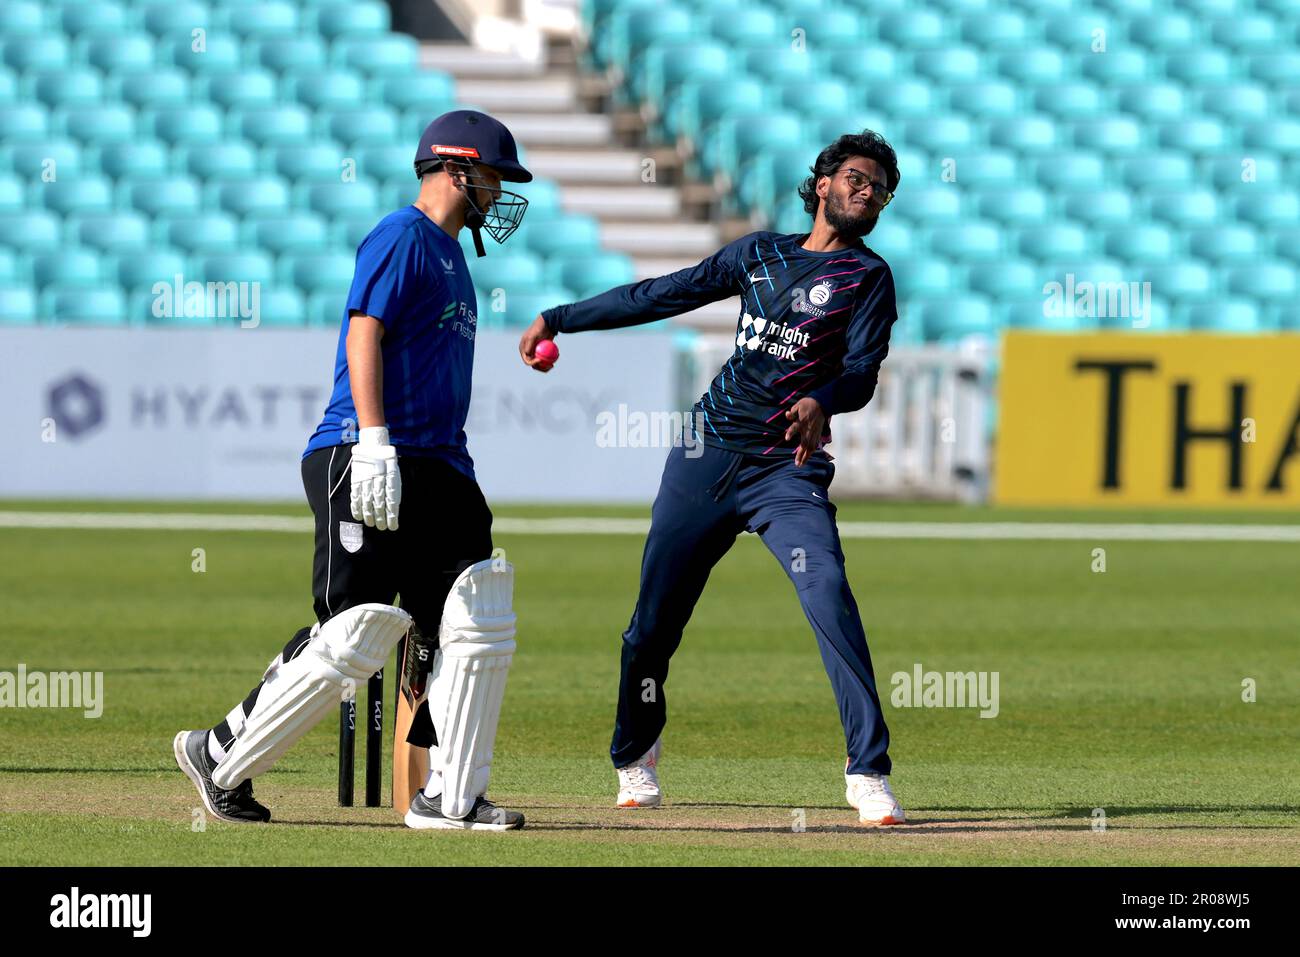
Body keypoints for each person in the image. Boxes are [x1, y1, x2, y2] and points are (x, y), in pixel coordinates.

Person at [519, 130, 906, 826]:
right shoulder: (759, 253)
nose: (867, 191)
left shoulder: (868, 278)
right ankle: (634, 752)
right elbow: (663, 294)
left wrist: (824, 401)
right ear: (822, 183)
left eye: (880, 187)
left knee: (829, 594)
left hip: (784, 470)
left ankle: (867, 768)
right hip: (704, 456)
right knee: (651, 625)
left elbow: (861, 373)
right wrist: (561, 318)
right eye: (856, 177)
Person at [174, 110, 533, 830]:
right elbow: (363, 329)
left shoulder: (454, 257)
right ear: (457, 169)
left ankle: (450, 797)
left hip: (442, 464)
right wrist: (372, 440)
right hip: (363, 450)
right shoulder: (401, 235)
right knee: (355, 631)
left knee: (476, 610)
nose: (500, 192)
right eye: (494, 176)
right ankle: (218, 755)